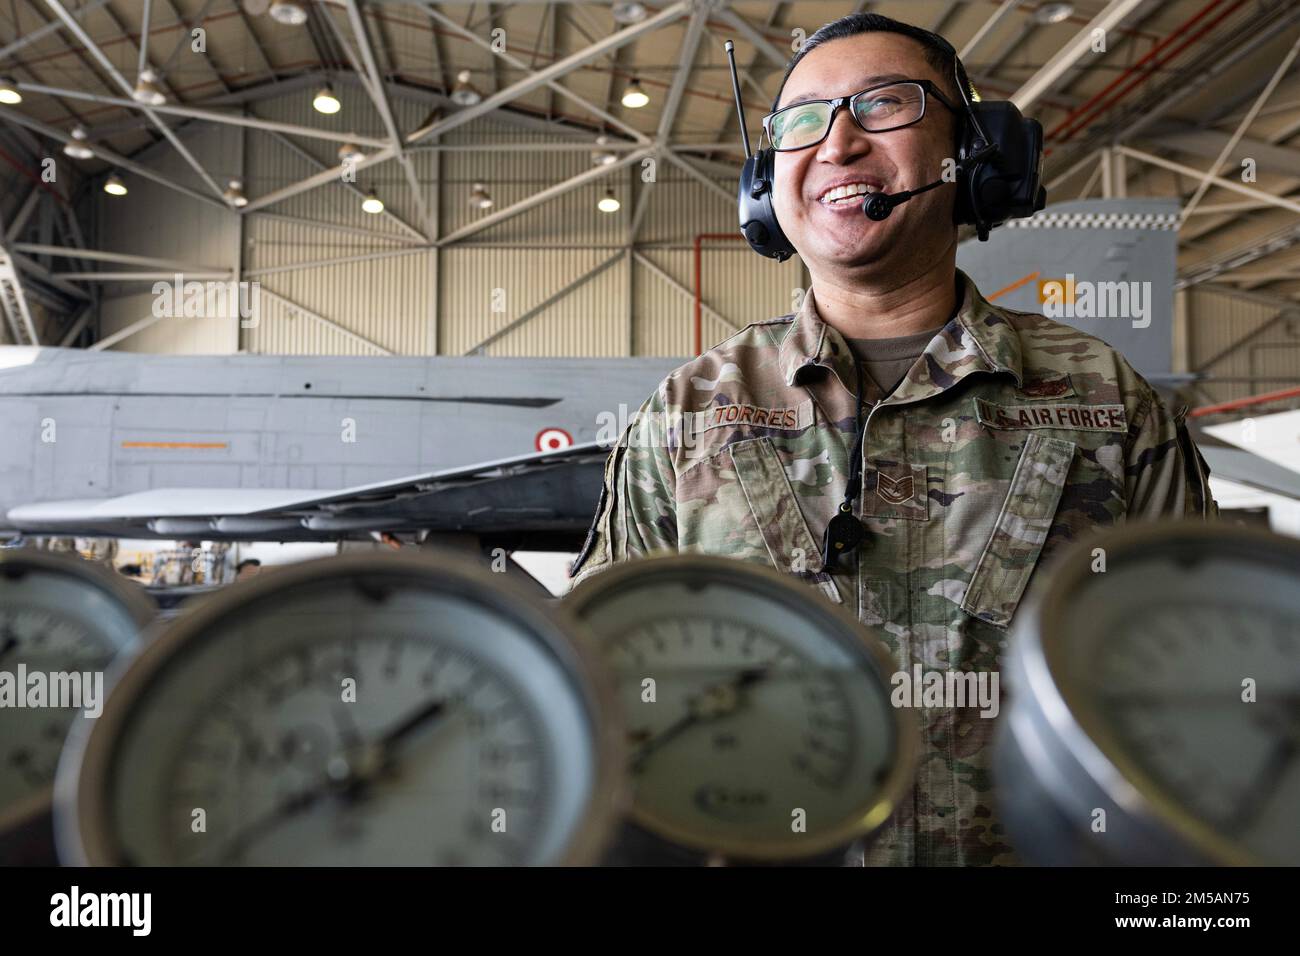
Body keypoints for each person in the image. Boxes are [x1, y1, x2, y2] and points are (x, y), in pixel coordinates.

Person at [570, 12, 1217, 866]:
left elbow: (1203, 697)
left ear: (977, 158)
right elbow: (595, 699)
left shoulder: (1107, 401)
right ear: (769, 186)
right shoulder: (689, 411)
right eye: (801, 121)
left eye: (883, 105)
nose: (836, 145)